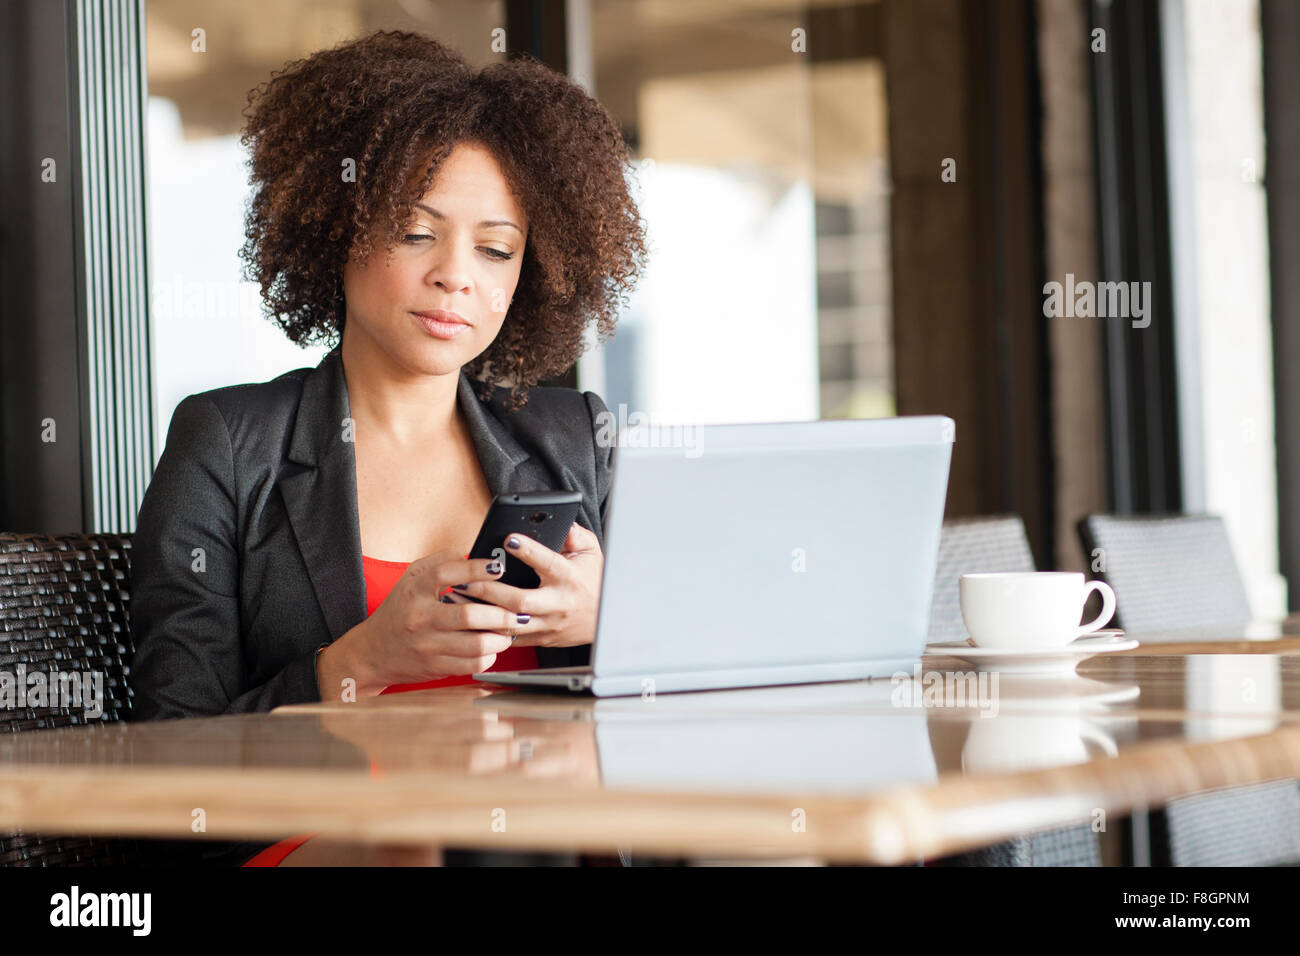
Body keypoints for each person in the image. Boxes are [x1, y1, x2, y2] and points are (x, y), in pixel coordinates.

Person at [128, 29, 648, 867]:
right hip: (330, 836)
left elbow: (685, 705)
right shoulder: (227, 443)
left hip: (538, 838)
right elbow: (175, 753)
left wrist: (612, 624)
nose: (456, 275)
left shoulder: (573, 440)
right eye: (415, 232)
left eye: (494, 248)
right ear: (339, 228)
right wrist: (357, 664)